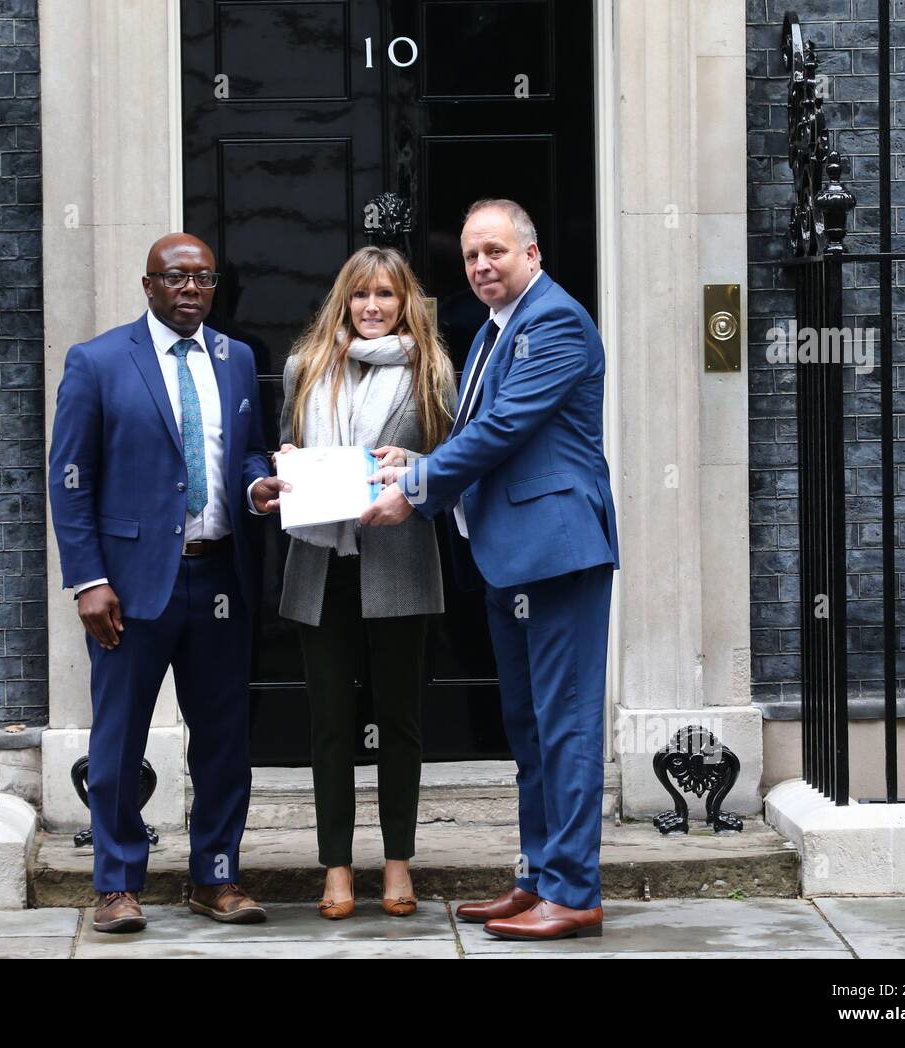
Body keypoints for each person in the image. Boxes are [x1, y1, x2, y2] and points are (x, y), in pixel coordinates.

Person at [363, 200, 620, 941]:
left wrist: (415, 491)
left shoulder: (556, 322)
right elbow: (481, 432)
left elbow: (508, 428)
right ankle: (538, 876)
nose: (481, 266)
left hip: (559, 552)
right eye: (472, 255)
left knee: (565, 725)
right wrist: (419, 462)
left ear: (532, 255)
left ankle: (574, 892)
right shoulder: (491, 332)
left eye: (495, 252)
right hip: (511, 554)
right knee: (530, 725)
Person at [48, 233, 288, 933]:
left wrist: (256, 489)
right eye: (175, 277)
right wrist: (88, 578)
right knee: (120, 739)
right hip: (128, 586)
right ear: (148, 284)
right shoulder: (97, 362)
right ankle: (117, 884)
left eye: (204, 278)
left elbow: (245, 453)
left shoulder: (237, 359)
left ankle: (215, 876)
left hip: (220, 575)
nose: (190, 288)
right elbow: (71, 480)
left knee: (223, 739)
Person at [276, 246, 457, 919]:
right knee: (329, 725)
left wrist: (415, 461)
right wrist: (288, 462)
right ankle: (336, 869)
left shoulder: (431, 370)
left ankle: (399, 864)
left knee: (401, 722)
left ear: (404, 300)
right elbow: (281, 449)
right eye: (361, 295)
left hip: (399, 561)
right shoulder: (305, 368)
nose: (373, 307)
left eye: (385, 294)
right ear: (343, 301)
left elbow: (455, 459)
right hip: (322, 569)